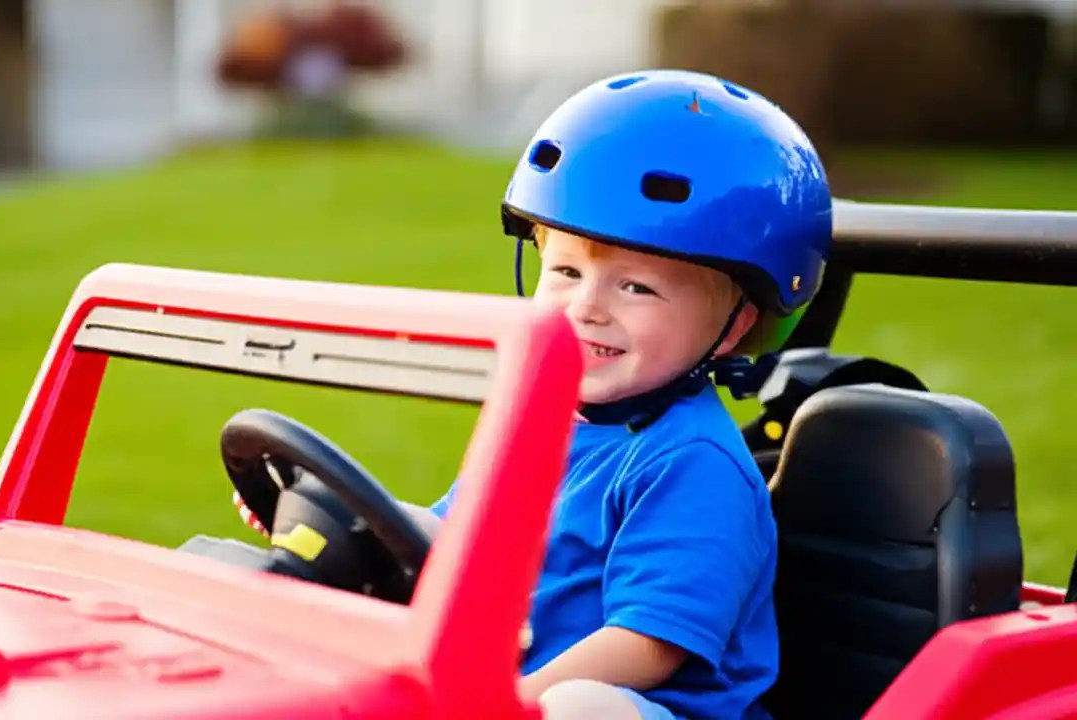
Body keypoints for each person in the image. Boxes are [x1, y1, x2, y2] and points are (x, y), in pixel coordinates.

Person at [238, 69, 834, 719]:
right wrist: (338, 518)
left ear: (734, 326)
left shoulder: (693, 462)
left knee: (577, 706)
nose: (587, 307)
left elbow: (648, 647)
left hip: (640, 707)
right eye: (568, 271)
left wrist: (502, 702)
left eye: (636, 287)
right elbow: (449, 540)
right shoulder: (538, 422)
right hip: (513, 691)